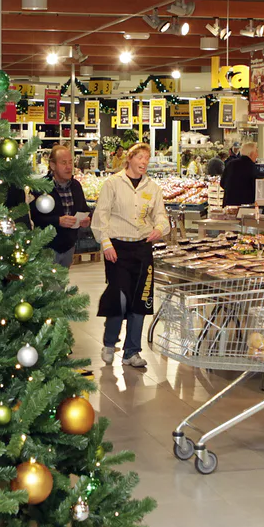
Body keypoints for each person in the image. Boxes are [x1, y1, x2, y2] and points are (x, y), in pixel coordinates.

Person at [96, 143, 169, 370]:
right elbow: (100, 216)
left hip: (142, 249)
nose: (144, 163)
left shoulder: (153, 188)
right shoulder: (113, 184)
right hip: (117, 249)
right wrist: (106, 243)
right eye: (140, 158)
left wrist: (160, 228)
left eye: (147, 159)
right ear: (130, 159)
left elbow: (161, 216)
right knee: (119, 298)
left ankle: (132, 351)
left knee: (141, 300)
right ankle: (110, 342)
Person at [31, 144, 90, 268]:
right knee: (50, 286)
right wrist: (58, 221)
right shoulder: (41, 187)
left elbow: (84, 209)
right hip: (47, 247)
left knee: (62, 284)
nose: (69, 167)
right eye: (63, 163)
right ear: (52, 165)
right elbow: (34, 218)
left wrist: (86, 219)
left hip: (69, 246)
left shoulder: (76, 186)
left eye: (70, 162)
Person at [220, 141, 258, 207]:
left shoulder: (231, 164)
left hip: (229, 204)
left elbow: (222, 183)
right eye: (256, 152)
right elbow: (256, 189)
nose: (257, 155)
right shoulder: (253, 167)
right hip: (245, 206)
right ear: (251, 154)